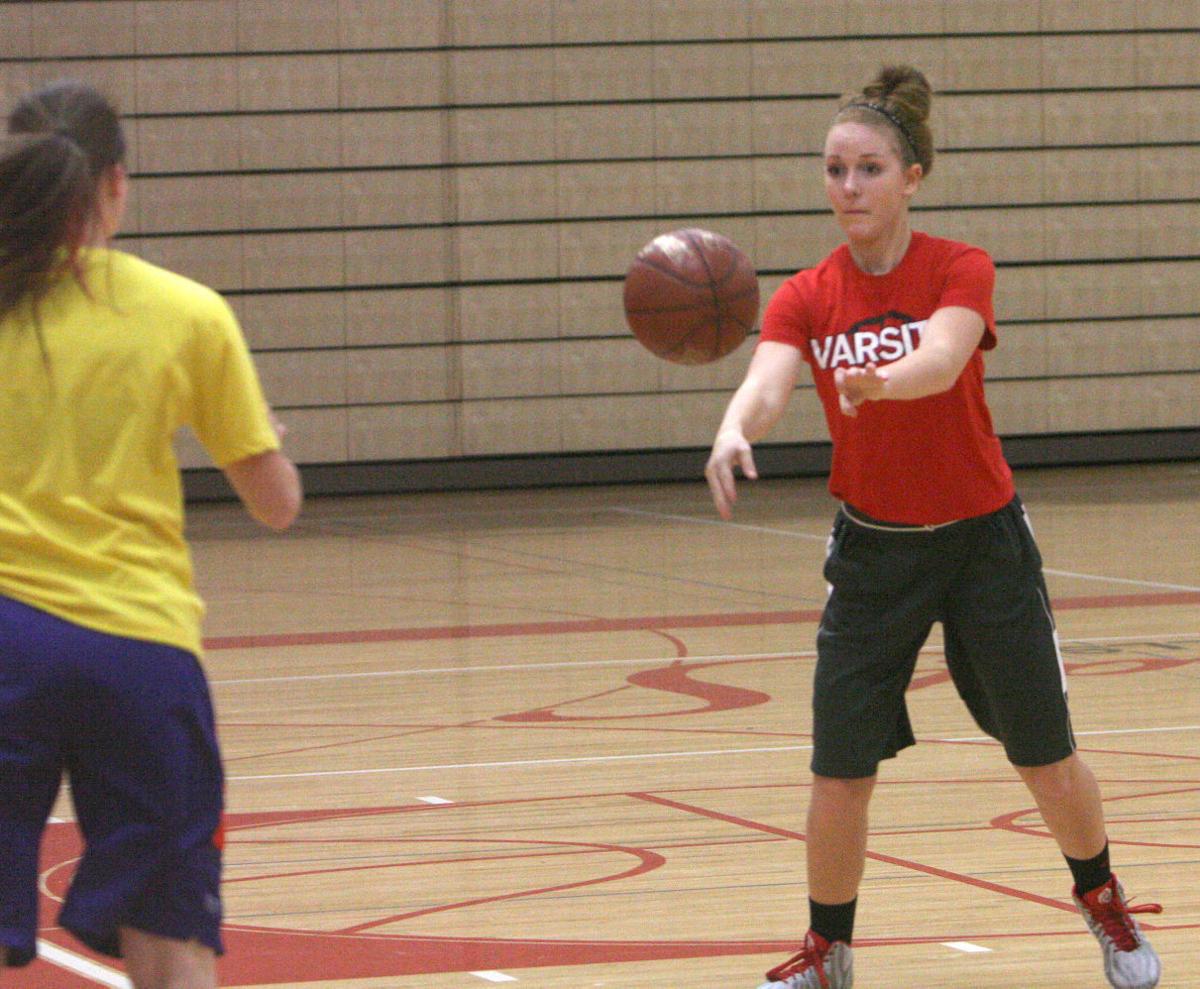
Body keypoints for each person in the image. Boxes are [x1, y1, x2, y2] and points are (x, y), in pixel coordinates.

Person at [705, 66, 1162, 989]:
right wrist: (733, 424)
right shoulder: (805, 294)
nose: (848, 189)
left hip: (982, 542)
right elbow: (769, 380)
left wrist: (885, 378)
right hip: (875, 551)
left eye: (868, 170)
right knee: (840, 770)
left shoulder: (959, 266)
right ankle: (827, 952)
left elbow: (945, 355)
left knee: (1045, 754)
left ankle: (1103, 898)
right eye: (834, 170)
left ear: (912, 176)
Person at [0, 81, 302, 989]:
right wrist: (269, 449)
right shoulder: (185, 312)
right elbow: (275, 505)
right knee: (170, 932)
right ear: (117, 184)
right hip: (136, 648)